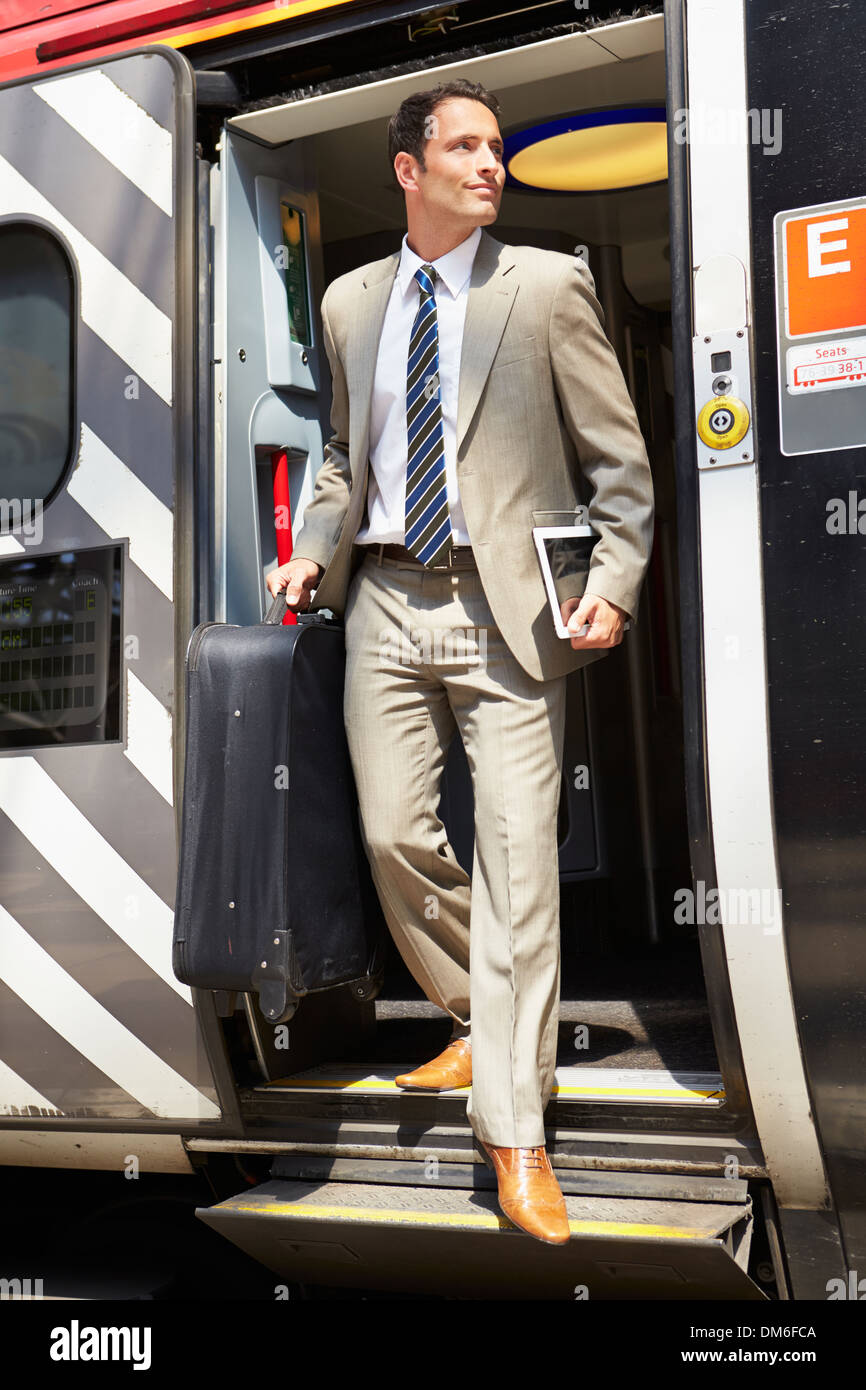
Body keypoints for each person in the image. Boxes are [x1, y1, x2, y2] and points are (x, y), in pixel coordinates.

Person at [267, 76, 654, 1245]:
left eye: (496, 149)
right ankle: (477, 1011)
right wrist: (308, 549)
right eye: (469, 147)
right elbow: (343, 455)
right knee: (390, 834)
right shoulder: (346, 303)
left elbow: (620, 469)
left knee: (518, 860)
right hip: (383, 596)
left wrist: (611, 586)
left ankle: (517, 1132)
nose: (492, 165)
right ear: (408, 168)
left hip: (507, 612)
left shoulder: (545, 286)